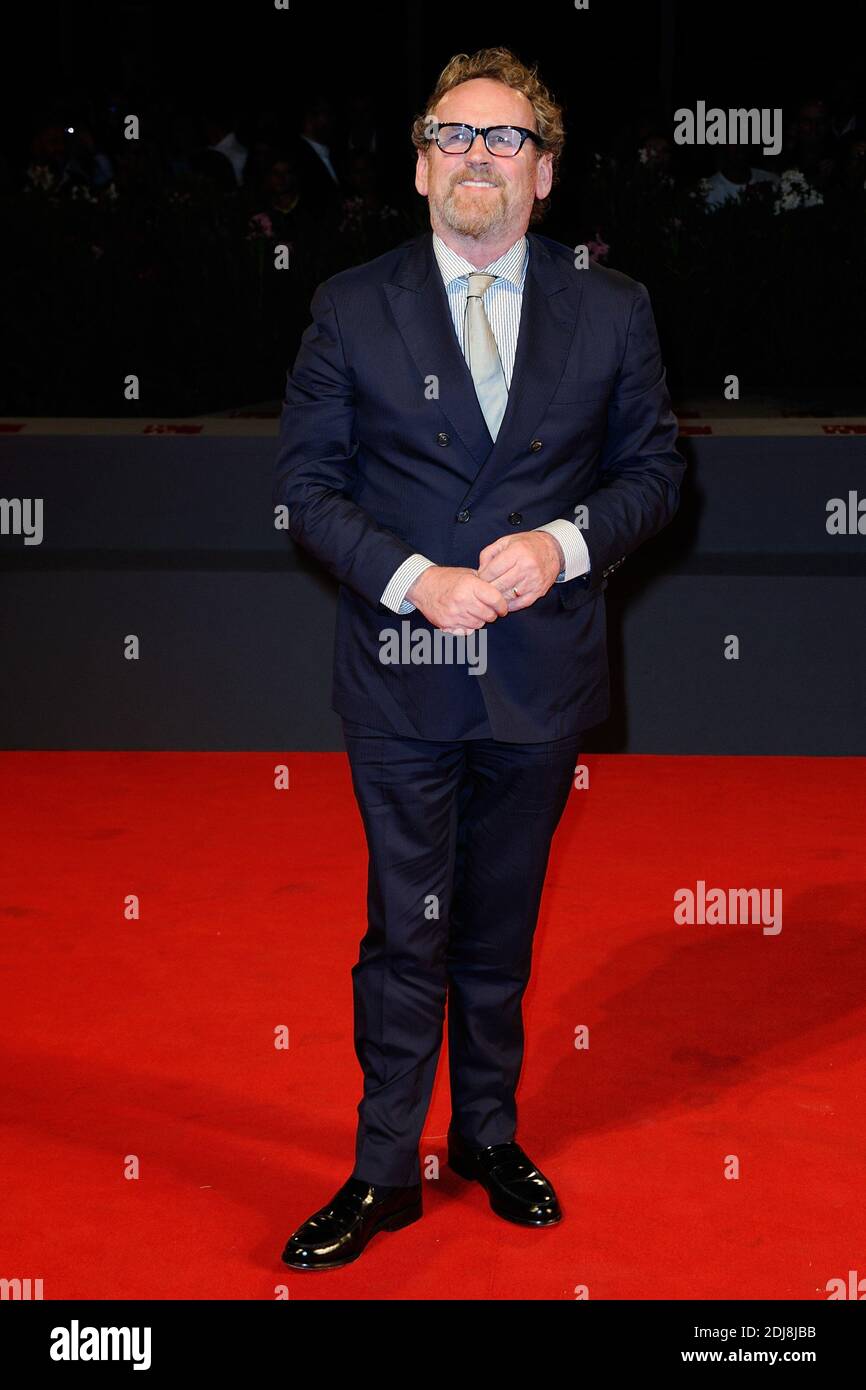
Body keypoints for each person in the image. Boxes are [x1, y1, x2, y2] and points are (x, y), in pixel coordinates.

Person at [274, 46, 685, 1271]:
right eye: (450, 136)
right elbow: (305, 486)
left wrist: (561, 546)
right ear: (416, 164)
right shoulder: (349, 304)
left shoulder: (613, 308)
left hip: (540, 675)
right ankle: (382, 1168)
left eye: (502, 139)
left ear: (543, 173)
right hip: (400, 666)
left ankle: (489, 1138)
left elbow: (654, 474)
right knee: (407, 927)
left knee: (499, 924)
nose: (474, 158)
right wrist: (415, 578)